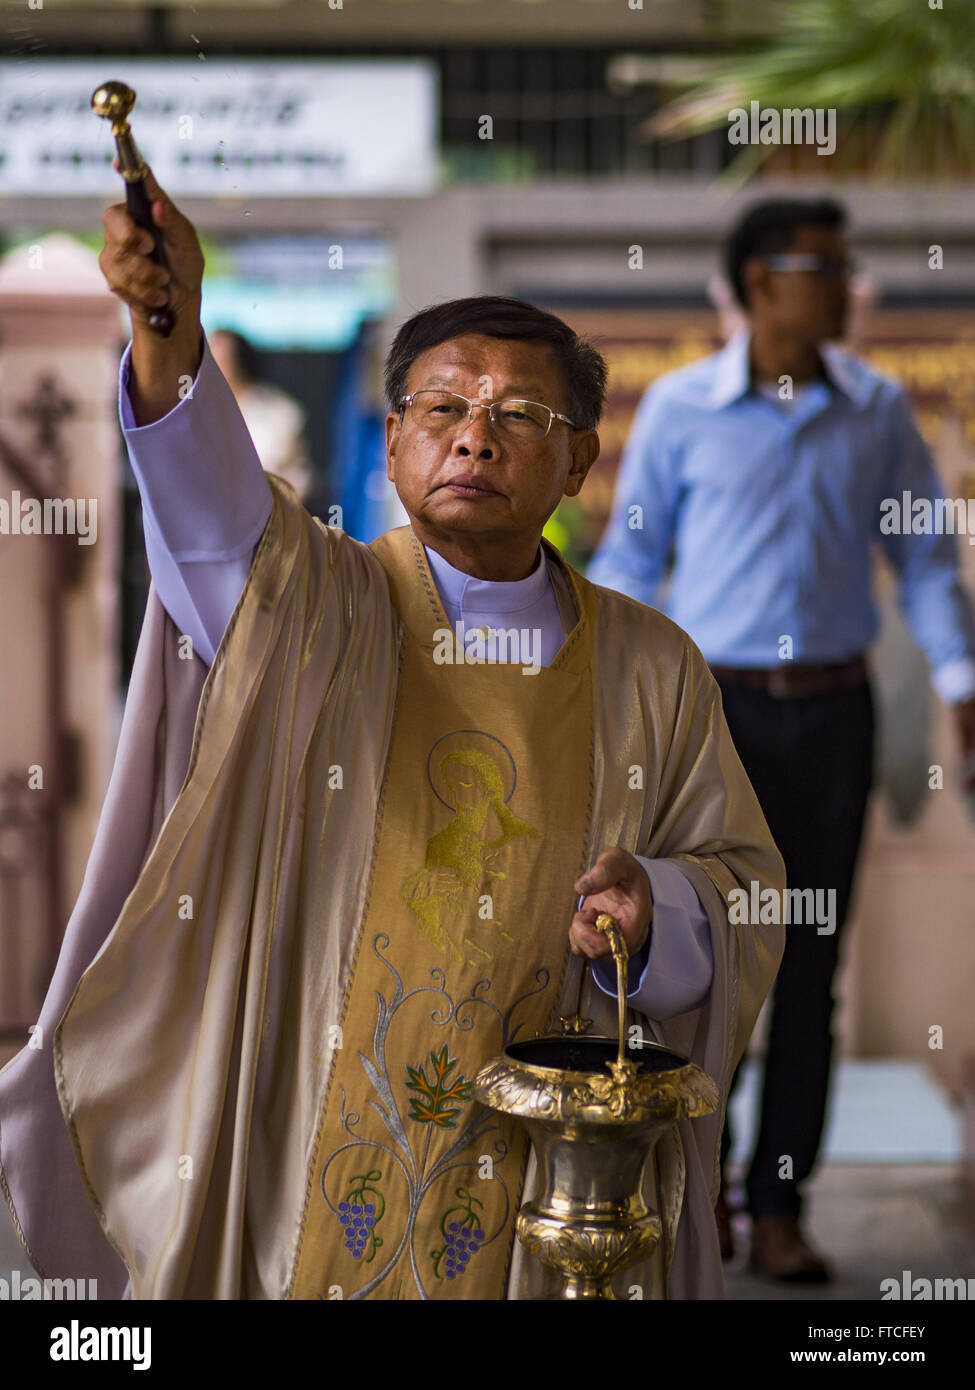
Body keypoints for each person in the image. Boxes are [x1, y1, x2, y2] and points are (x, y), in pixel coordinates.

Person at [0, 170, 784, 1301]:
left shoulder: (651, 664)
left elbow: (746, 886)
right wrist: (166, 333)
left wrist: (659, 907)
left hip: (547, 1183)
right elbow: (211, 514)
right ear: (395, 441)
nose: (476, 438)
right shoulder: (317, 604)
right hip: (320, 1136)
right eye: (443, 409)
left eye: (521, 416)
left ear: (578, 460)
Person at [589, 197, 975, 1283]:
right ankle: (695, 1188)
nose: (849, 287)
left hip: (832, 716)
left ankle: (781, 1207)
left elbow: (929, 564)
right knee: (703, 964)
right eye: (828, 267)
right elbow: (631, 561)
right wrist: (605, 694)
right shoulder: (677, 410)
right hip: (713, 717)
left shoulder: (878, 410)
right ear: (762, 279)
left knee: (810, 966)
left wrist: (961, 677)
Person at [208, 326, 313, 503]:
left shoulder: (279, 411)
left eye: (223, 360)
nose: (215, 367)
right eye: (211, 360)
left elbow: (298, 475)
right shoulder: (194, 414)